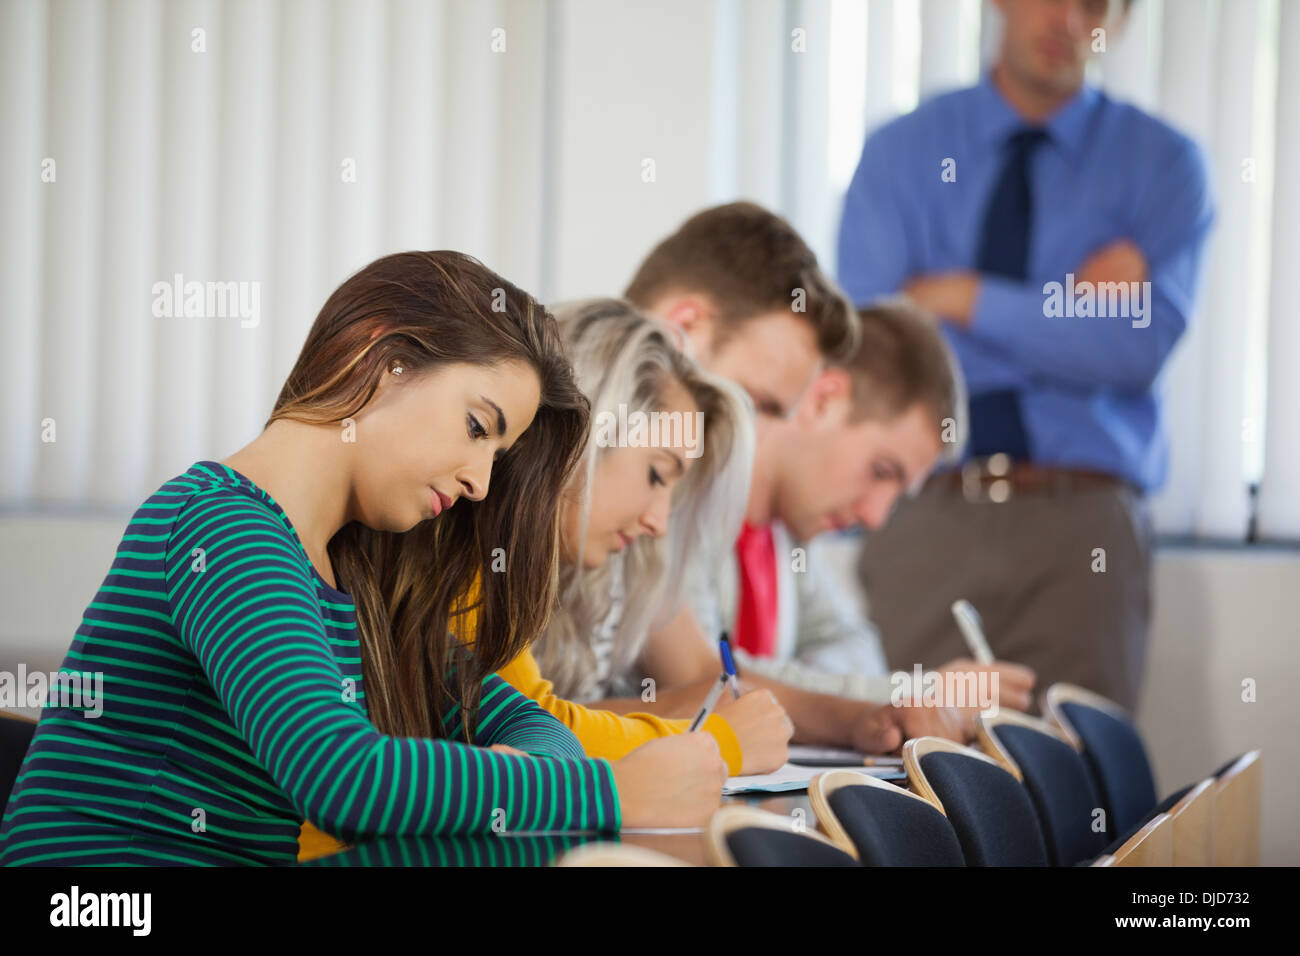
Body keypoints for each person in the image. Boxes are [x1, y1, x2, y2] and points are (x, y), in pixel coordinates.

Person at [0, 251, 726, 867]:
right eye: (478, 427)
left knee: (525, 846)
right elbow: (342, 777)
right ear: (383, 358)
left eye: (496, 455)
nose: (480, 483)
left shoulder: (353, 576)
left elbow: (529, 728)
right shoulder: (222, 525)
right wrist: (611, 793)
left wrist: (543, 787)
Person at [837, 0, 1214, 710]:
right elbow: (877, 349)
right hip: (927, 515)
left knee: (1077, 768)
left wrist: (962, 297)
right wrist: (1066, 307)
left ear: (1122, 20)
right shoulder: (901, 153)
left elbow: (1136, 349)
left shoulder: (1164, 166)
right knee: (897, 756)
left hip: (1084, 529)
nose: (1067, 19)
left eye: (1095, 4)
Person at [596, 202, 968, 748]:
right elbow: (701, 681)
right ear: (683, 330)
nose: (758, 443)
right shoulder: (619, 480)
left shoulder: (678, 493)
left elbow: (706, 680)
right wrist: (879, 707)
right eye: (759, 405)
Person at [665, 301, 1036, 730]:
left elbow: (857, 646)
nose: (876, 517)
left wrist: (796, 682)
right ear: (825, 400)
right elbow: (705, 679)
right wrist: (913, 693)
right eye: (881, 471)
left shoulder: (789, 537)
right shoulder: (678, 495)